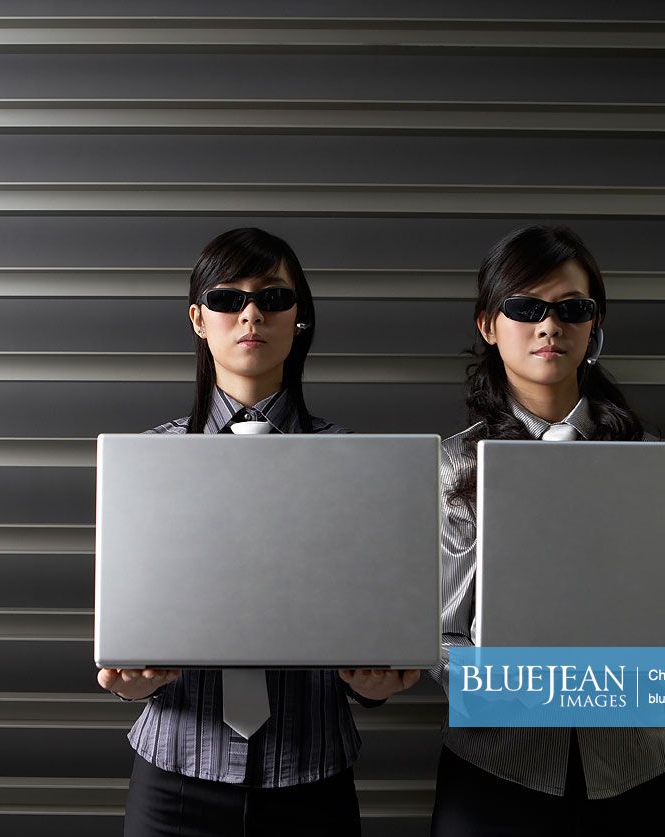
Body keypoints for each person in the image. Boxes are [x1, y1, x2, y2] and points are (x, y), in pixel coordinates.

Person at [97, 227, 419, 837]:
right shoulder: (146, 460)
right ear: (198, 318)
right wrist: (130, 682)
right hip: (175, 773)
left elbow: (372, 617)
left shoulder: (353, 462)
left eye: (273, 298)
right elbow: (130, 616)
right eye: (227, 299)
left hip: (311, 772)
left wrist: (375, 684)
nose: (250, 314)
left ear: (299, 318)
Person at [431, 224, 665, 835]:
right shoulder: (450, 469)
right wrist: (523, 690)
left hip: (640, 768)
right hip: (500, 772)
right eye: (526, 308)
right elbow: (439, 636)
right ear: (489, 326)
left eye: (572, 309)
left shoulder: (655, 462)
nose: (550, 325)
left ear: (594, 326)